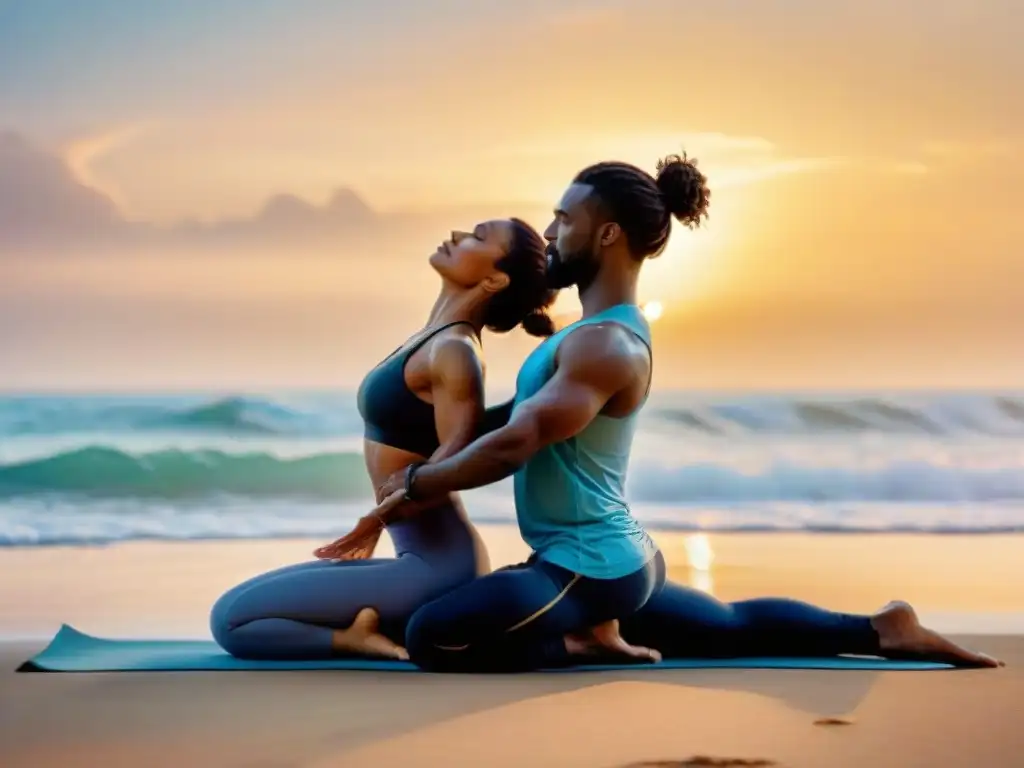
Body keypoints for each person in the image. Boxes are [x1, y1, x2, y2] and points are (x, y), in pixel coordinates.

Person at [330, 153, 1004, 672]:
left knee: (434, 636)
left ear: (608, 234)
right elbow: (506, 421)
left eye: (565, 219)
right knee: (729, 628)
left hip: (587, 567)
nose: (551, 231)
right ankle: (881, 628)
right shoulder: (585, 335)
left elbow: (517, 441)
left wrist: (413, 486)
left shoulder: (605, 345)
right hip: (619, 555)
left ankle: (583, 639)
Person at [209, 217, 557, 660]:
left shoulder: (455, 351)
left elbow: (457, 458)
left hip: (438, 569)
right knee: (236, 608)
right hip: (418, 559)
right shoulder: (435, 339)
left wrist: (375, 519)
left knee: (232, 621)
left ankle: (352, 639)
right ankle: (369, 629)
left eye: (477, 237)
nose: (456, 235)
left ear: (494, 279)